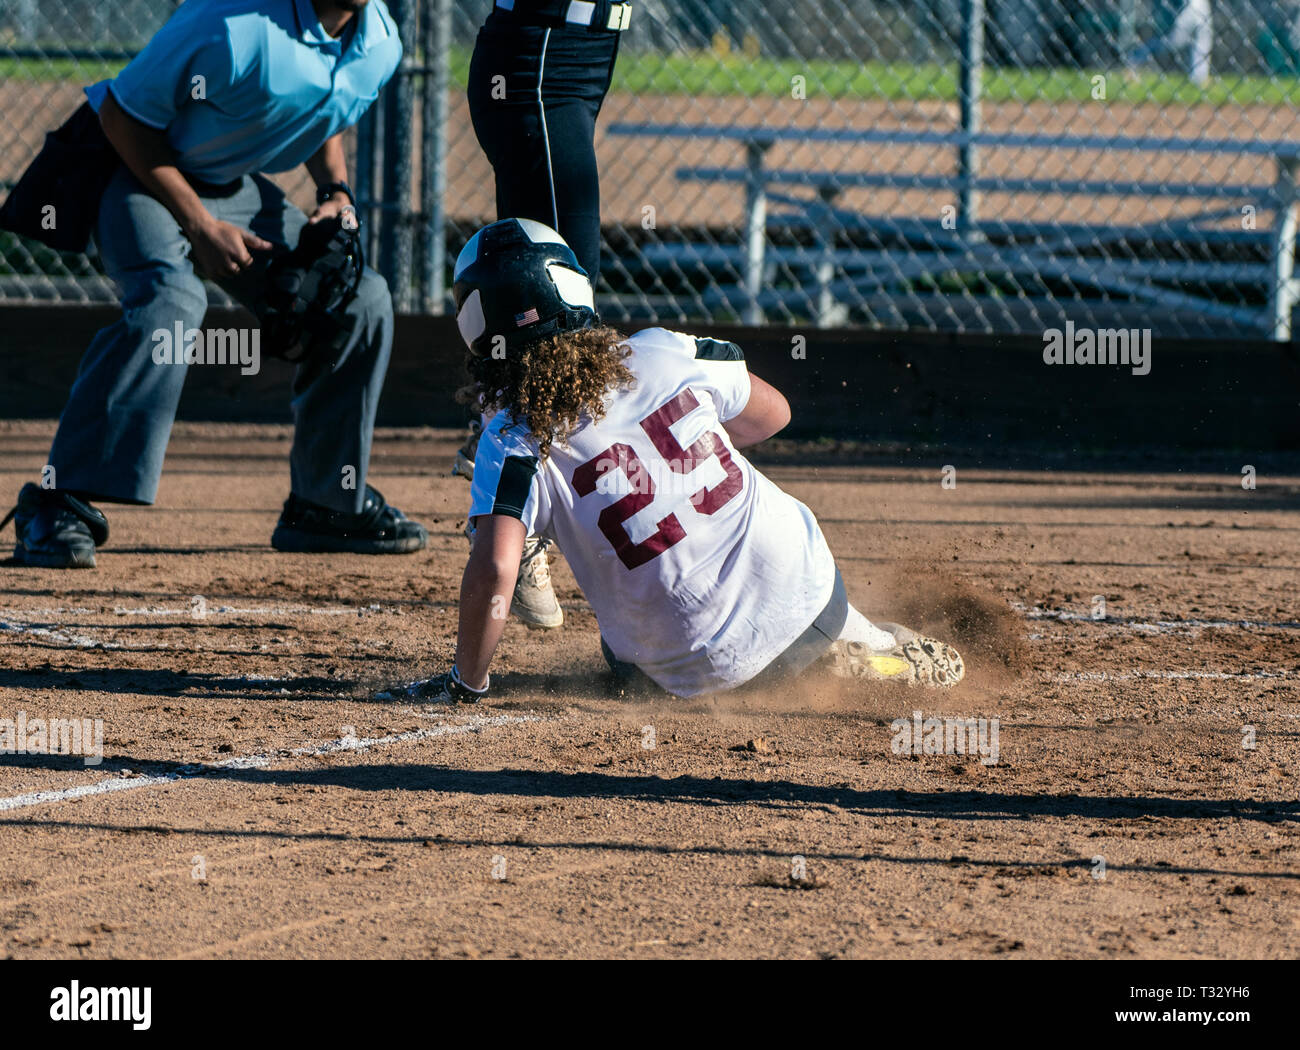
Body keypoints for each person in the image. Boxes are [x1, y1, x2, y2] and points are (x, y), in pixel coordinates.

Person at [412, 218, 966, 704]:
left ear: (477, 330)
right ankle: (871, 648)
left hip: (691, 673)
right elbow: (773, 415)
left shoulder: (511, 438)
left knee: (622, 647)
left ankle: (849, 655)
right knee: (785, 565)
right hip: (807, 591)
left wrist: (467, 681)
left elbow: (496, 569)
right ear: (574, 288)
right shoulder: (659, 350)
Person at [1, 0, 427, 568]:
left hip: (229, 186)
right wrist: (199, 227)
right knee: (171, 300)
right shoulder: (231, 24)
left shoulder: (379, 43)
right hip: (137, 170)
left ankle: (326, 503)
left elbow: (329, 111)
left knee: (361, 298)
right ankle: (56, 504)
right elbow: (122, 117)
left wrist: (336, 194)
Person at [450, 0, 631, 629]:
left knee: (559, 304)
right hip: (543, 55)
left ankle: (505, 496)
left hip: (571, 58)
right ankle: (508, 516)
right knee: (555, 310)